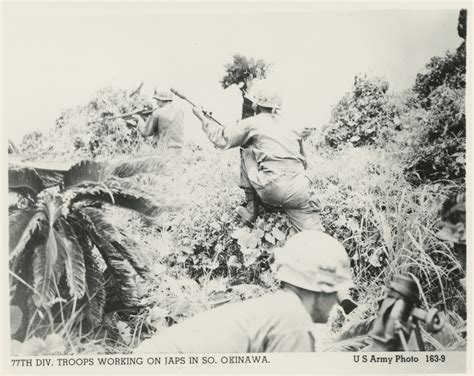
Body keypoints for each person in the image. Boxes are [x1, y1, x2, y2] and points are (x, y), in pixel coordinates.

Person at [134, 230, 355, 353]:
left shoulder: (275, 309)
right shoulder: (293, 319)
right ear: (321, 290)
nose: (336, 303)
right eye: (336, 292)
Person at [191, 80, 322, 232]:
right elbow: (305, 163)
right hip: (300, 190)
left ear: (256, 104)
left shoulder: (252, 123)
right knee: (314, 238)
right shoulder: (292, 125)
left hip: (272, 189)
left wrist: (202, 118)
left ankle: (251, 210)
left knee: (246, 151)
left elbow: (221, 138)